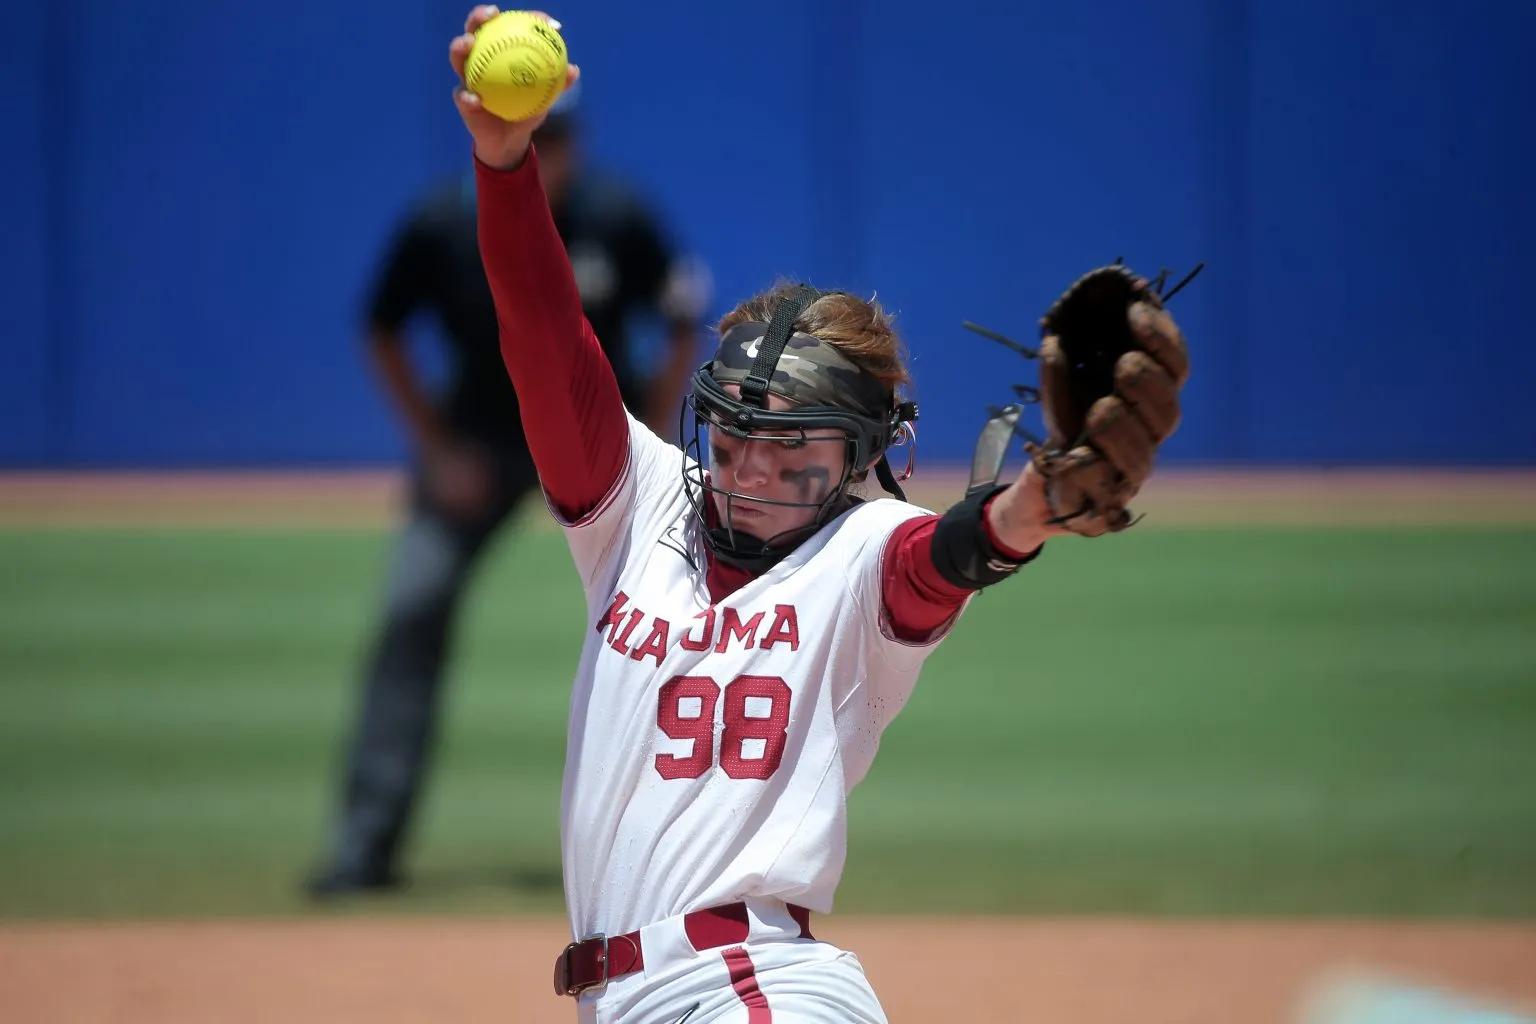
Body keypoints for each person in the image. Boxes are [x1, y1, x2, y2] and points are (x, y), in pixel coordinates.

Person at [450, 6, 1185, 1020]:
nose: (751, 467)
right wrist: (506, 162)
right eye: (736, 436)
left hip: (753, 990)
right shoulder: (638, 509)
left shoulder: (863, 550)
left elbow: (952, 555)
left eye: (793, 449)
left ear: (862, 460)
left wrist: (1040, 497)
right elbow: (542, 337)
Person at [306, 80, 708, 899]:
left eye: (560, 138)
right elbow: (381, 328)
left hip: (607, 453)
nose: (551, 153)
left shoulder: (619, 217)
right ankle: (362, 849)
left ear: (576, 144)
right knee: (410, 611)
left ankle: (682, 856)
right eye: (540, 137)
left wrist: (658, 435)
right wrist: (436, 447)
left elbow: (681, 321)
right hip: (481, 448)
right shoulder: (441, 222)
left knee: (684, 624)